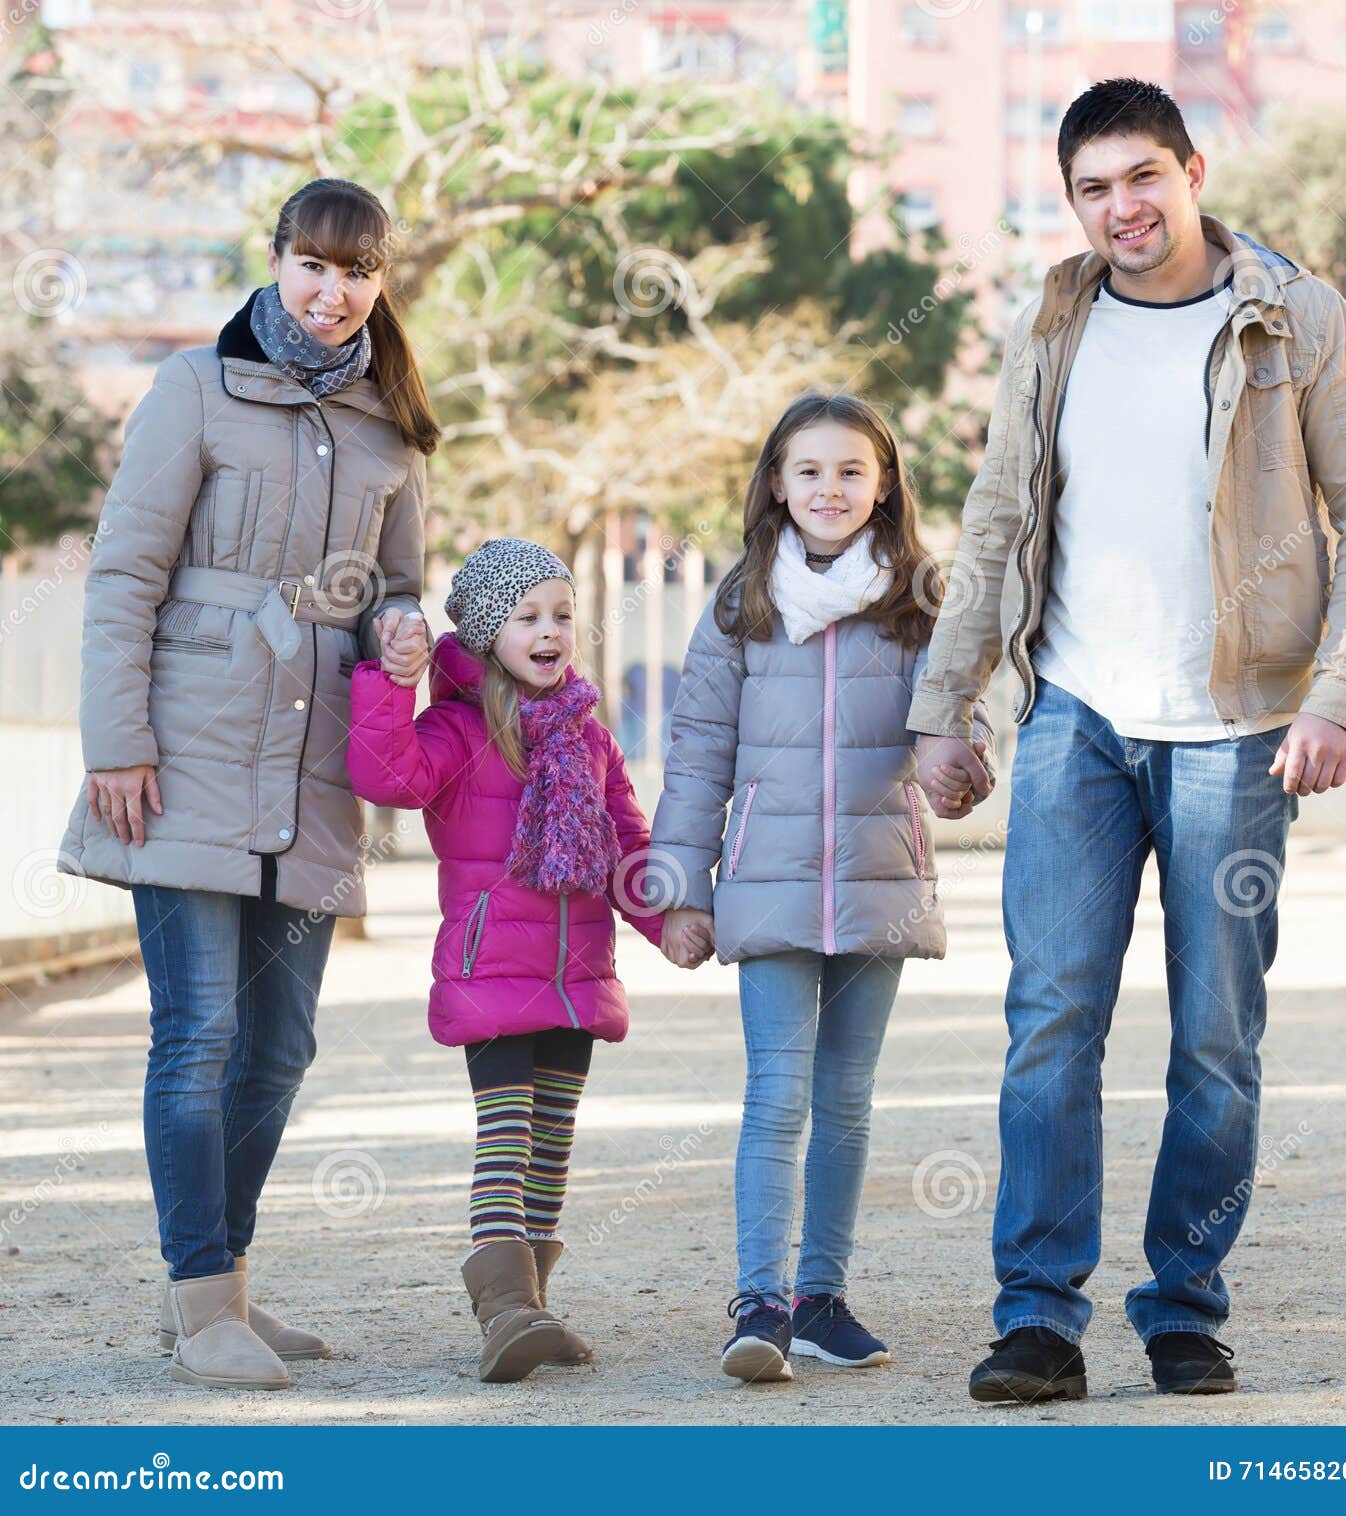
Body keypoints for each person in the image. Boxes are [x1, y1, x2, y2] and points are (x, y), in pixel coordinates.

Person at [906, 79, 1346, 1402]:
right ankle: (1037, 1318)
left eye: (1142, 176)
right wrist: (944, 706)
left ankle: (1185, 1307)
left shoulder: (1294, 316)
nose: (1121, 207)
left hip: (1236, 731)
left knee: (1215, 1039)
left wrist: (1340, 696)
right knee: (1049, 1022)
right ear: (1072, 204)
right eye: (1093, 188)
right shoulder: (1053, 321)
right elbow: (995, 518)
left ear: (1192, 172)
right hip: (1073, 720)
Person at [57, 178, 439, 1391]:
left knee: (281, 1044)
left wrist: (401, 629)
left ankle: (224, 1283)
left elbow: (397, 585)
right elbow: (125, 573)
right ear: (275, 260)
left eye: (357, 271)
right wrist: (118, 742)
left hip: (312, 765)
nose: (333, 291)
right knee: (198, 1032)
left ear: (380, 281)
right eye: (313, 264)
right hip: (184, 751)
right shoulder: (194, 387)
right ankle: (199, 1298)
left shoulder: (389, 424)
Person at [649, 392, 992, 1383]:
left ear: (884, 485)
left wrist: (964, 768)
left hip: (881, 876)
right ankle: (758, 1303)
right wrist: (683, 890)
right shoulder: (740, 604)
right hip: (768, 879)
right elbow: (697, 751)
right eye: (809, 471)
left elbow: (960, 719)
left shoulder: (923, 599)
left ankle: (820, 1301)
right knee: (777, 1093)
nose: (829, 489)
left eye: (851, 471)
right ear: (776, 484)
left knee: (846, 1099)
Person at [346, 539, 667, 1382]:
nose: (550, 630)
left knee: (552, 1145)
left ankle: (534, 1306)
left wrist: (676, 923)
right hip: (491, 973)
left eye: (562, 614)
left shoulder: (591, 739)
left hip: (577, 975)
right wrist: (391, 684)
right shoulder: (458, 728)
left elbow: (629, 849)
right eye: (528, 616)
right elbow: (387, 777)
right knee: (506, 1134)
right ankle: (503, 1308)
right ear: (490, 632)